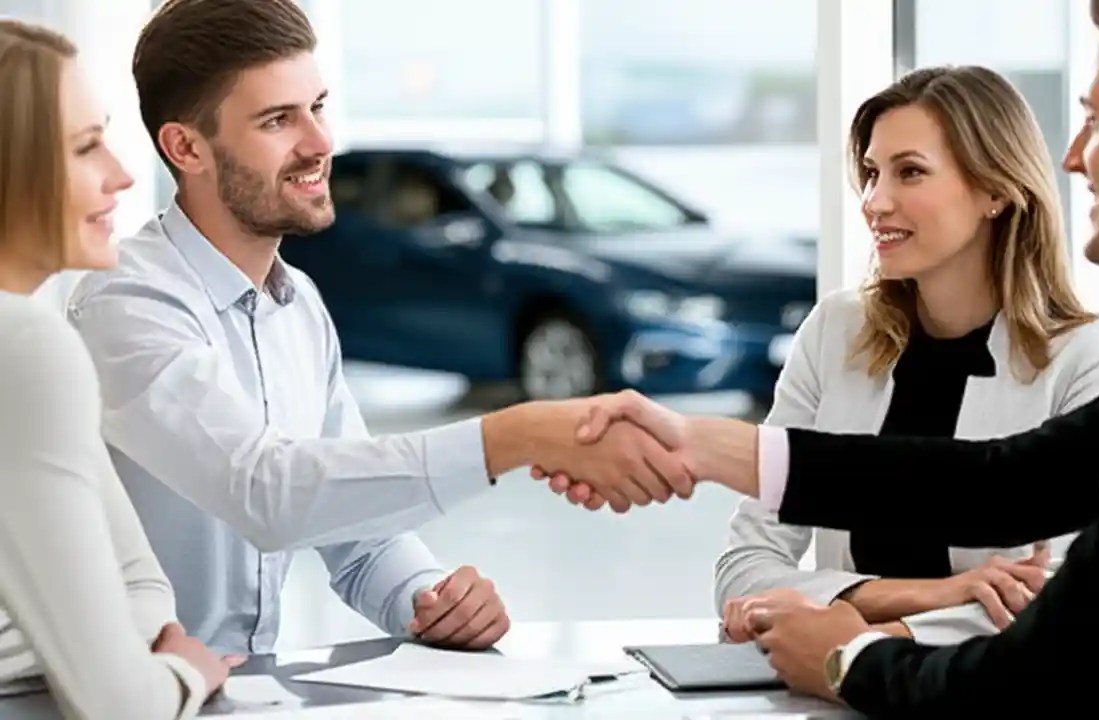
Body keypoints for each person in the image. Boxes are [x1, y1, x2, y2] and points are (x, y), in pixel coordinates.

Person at [545, 0, 1099, 715]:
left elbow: (1051, 665)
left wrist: (848, 653)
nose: (1074, 156)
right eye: (870, 173)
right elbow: (1004, 482)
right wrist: (701, 446)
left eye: (1098, 120)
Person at [66, 0, 692, 657]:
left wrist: (425, 597)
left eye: (318, 106)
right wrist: (519, 433)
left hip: (239, 692)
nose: (319, 143)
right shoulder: (127, 303)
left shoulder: (297, 305)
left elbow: (354, 528)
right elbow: (266, 492)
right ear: (185, 147)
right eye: (278, 120)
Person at [713, 65, 1099, 646]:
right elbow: (744, 569)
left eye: (910, 173)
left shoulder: (1093, 354)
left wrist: (856, 641)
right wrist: (933, 594)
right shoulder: (835, 331)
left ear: (996, 189)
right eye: (871, 173)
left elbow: (1069, 595)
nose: (874, 201)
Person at [0, 18, 230, 718]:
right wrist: (186, 674)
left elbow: (142, 583)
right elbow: (119, 705)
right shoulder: (24, 350)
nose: (123, 174)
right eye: (84, 147)